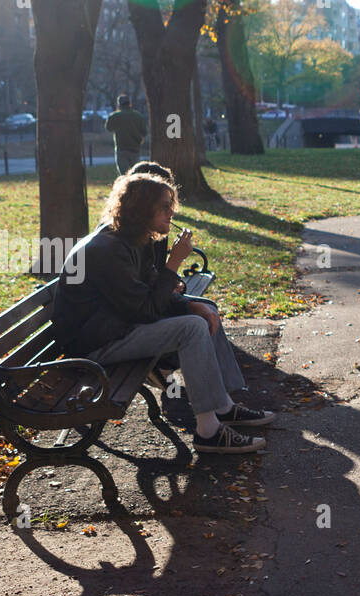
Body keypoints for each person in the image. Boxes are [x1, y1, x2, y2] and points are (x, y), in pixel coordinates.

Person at [53, 171, 276, 454]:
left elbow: (149, 291)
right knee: (192, 328)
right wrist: (174, 264)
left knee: (204, 311)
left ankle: (223, 406)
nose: (172, 212)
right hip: (95, 347)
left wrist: (188, 303)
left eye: (172, 204)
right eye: (164, 206)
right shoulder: (107, 249)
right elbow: (145, 309)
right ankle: (208, 432)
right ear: (141, 210)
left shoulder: (135, 236)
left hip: (118, 327)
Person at [105, 95, 147, 175]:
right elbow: (144, 132)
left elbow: (108, 128)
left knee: (124, 174)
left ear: (119, 104)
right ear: (130, 103)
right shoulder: (138, 116)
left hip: (121, 148)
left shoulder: (114, 116)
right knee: (135, 173)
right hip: (135, 149)